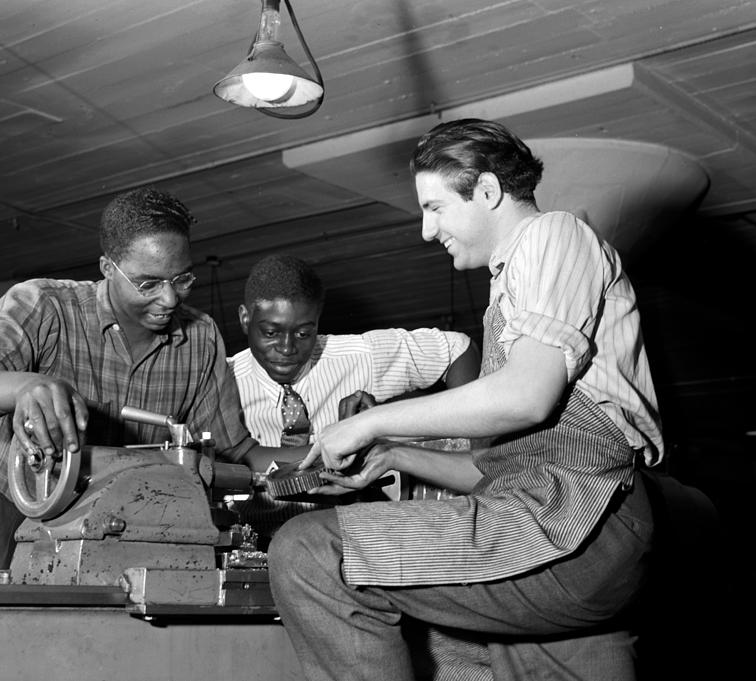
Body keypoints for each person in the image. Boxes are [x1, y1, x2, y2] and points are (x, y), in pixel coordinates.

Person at [268, 118, 662, 681]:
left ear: (487, 192)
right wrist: (393, 453)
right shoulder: (511, 288)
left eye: (435, 207)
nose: (427, 231)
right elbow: (504, 471)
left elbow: (526, 398)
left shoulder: (555, 234)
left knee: (310, 552)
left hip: (584, 525)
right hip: (564, 518)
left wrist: (366, 422)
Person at [0, 186, 282, 583]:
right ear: (106, 267)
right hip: (19, 520)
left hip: (145, 533)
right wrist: (25, 386)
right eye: (148, 283)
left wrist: (327, 455)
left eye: (182, 279)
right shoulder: (44, 306)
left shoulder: (200, 336)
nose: (169, 298)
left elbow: (233, 453)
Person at [228, 253, 480, 538]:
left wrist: (469, 445)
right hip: (261, 543)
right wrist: (350, 445)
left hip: (356, 537)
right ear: (245, 318)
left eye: (303, 334)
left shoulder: (358, 356)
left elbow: (457, 349)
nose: (286, 348)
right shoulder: (221, 381)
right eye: (271, 332)